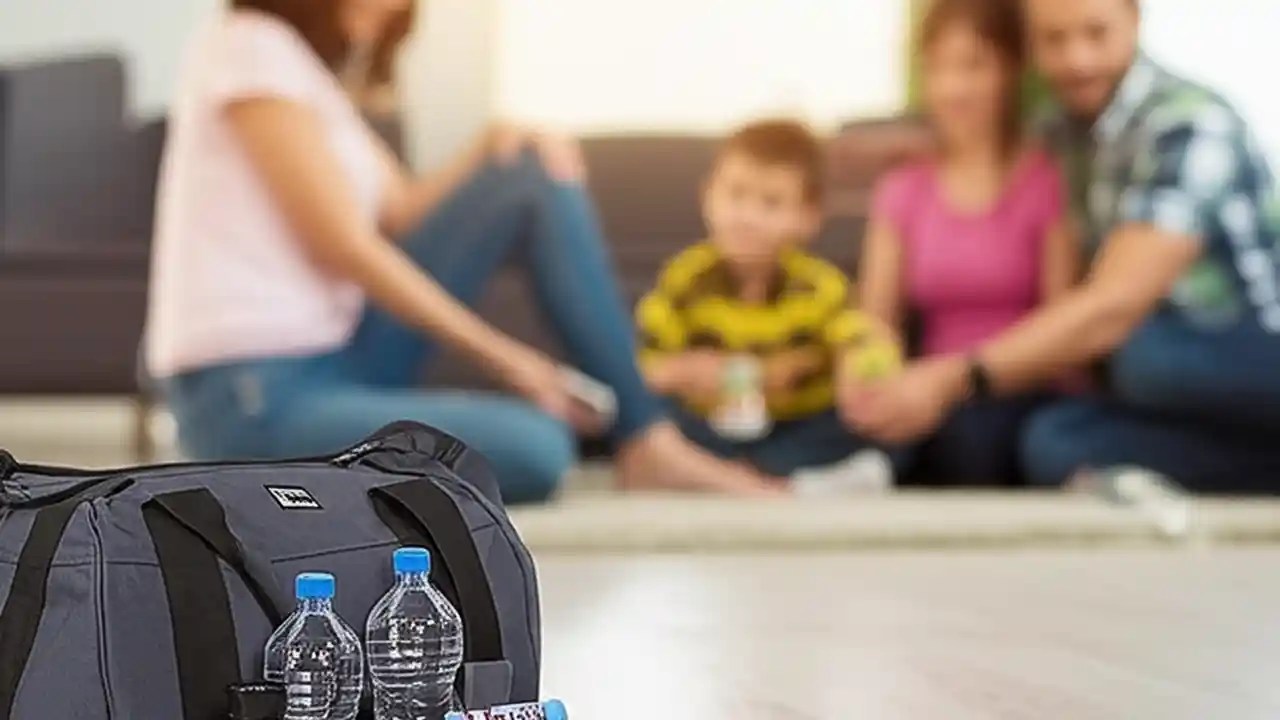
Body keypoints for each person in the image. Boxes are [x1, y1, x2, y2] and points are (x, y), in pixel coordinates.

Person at [145, 0, 781, 504]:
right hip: (255, 396)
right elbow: (348, 248)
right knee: (538, 450)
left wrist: (491, 142)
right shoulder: (250, 45)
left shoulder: (311, 78)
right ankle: (637, 435)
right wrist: (508, 360)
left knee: (527, 175)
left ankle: (648, 436)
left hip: (340, 355)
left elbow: (401, 210)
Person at [846, 0, 1280, 494]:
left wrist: (952, 379)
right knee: (1054, 443)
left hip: (1252, 349)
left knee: (1142, 353)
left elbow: (1113, 305)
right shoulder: (1061, 133)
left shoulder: (1188, 123)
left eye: (1097, 33)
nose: (1078, 60)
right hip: (1164, 382)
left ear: (1135, 20)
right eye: (1055, 40)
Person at [857, 0, 1077, 486]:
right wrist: (869, 380)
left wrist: (957, 383)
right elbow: (876, 322)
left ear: (1011, 71)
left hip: (1016, 389)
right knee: (872, 430)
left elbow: (1064, 333)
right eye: (939, 68)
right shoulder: (903, 187)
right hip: (922, 393)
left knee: (971, 439)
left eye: (974, 65)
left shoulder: (1045, 180)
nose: (954, 88)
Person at [636, 120, 895, 487]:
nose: (747, 217)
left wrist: (858, 369)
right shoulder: (685, 280)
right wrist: (684, 371)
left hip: (792, 422)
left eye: (770, 203)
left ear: (808, 217)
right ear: (708, 195)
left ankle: (760, 475)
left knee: (872, 421)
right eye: (735, 195)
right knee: (650, 418)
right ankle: (766, 477)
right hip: (711, 425)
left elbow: (861, 336)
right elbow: (644, 364)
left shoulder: (819, 286)